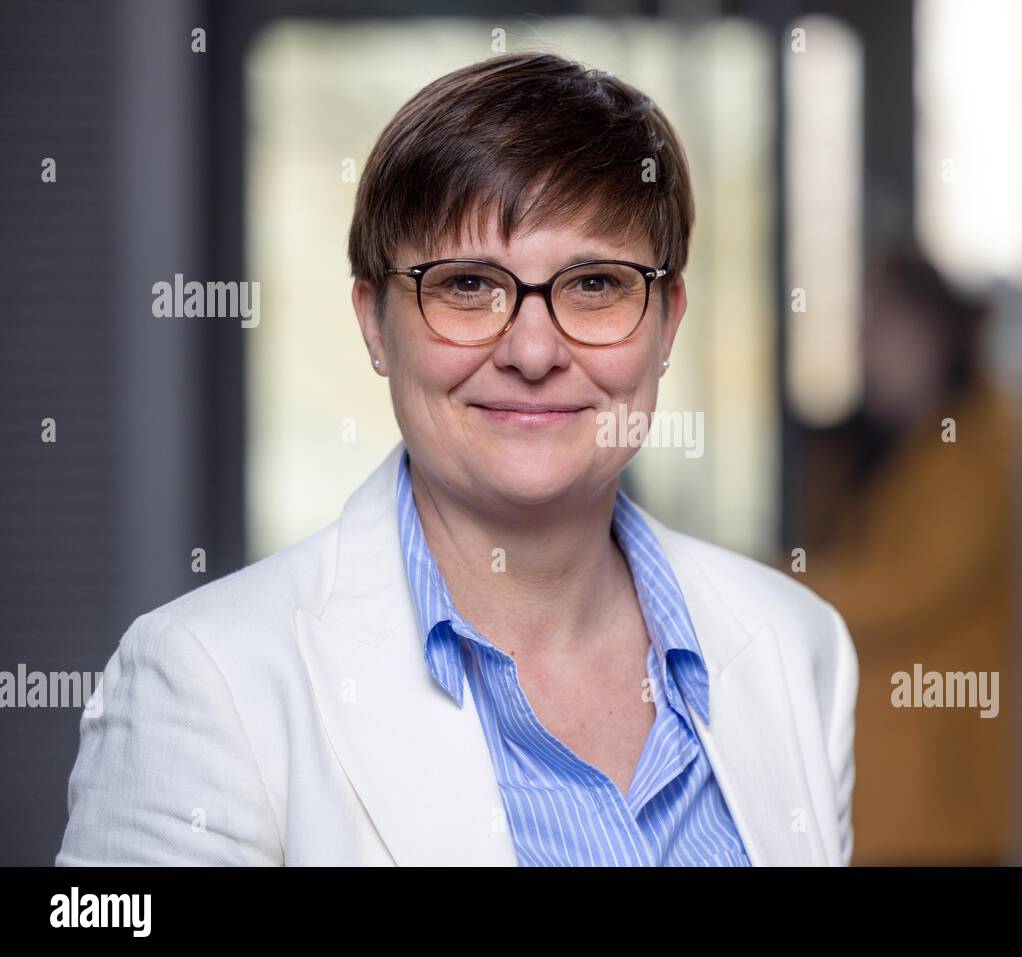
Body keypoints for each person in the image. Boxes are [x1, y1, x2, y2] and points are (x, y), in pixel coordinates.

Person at [56, 51, 857, 866]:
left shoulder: (797, 647)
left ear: (667, 322)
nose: (535, 350)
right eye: (469, 284)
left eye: (596, 284)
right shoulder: (203, 681)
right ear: (374, 321)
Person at [800, 243, 1022, 865]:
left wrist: (773, 588)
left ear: (933, 333)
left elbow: (908, 587)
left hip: (940, 804)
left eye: (881, 330)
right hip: (894, 797)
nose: (866, 353)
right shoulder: (897, 444)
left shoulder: (980, 445)